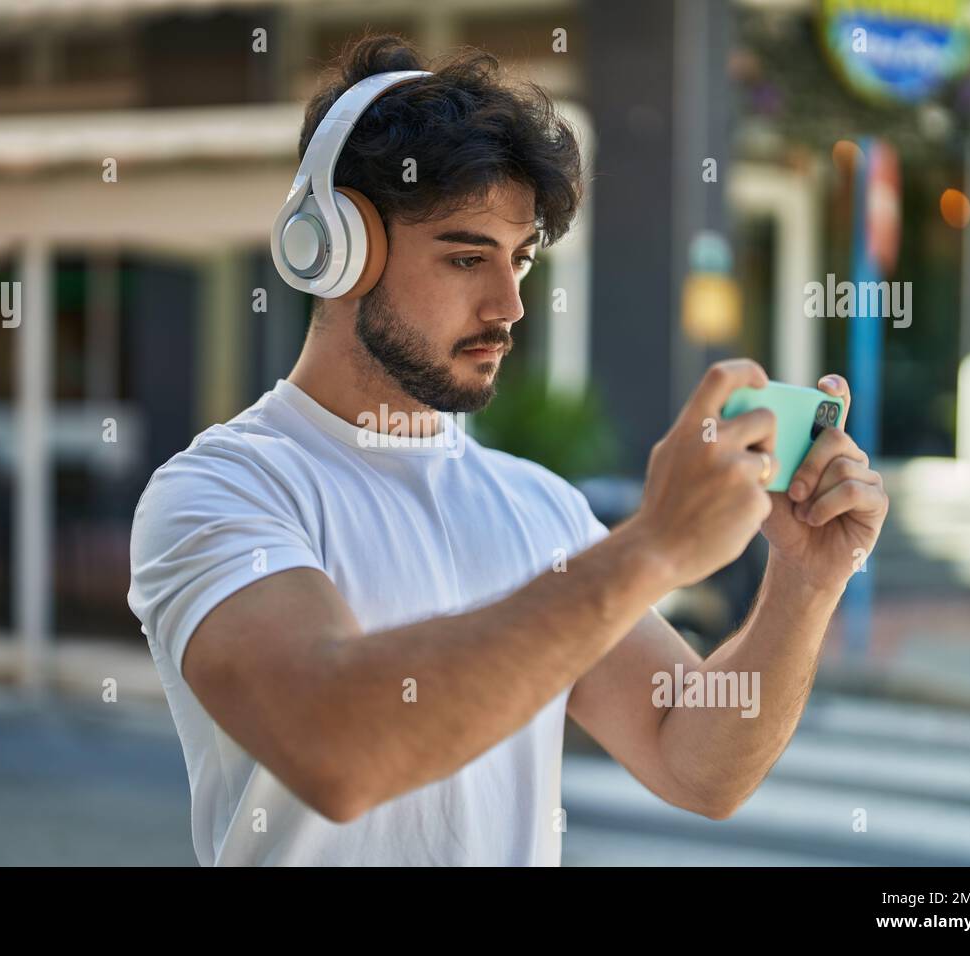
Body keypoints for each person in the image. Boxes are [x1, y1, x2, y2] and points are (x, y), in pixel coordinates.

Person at [127, 33, 888, 866]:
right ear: (335, 249)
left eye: (521, 260)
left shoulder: (539, 505)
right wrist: (652, 549)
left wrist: (805, 582)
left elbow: (695, 764)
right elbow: (333, 748)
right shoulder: (221, 489)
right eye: (466, 257)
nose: (510, 304)